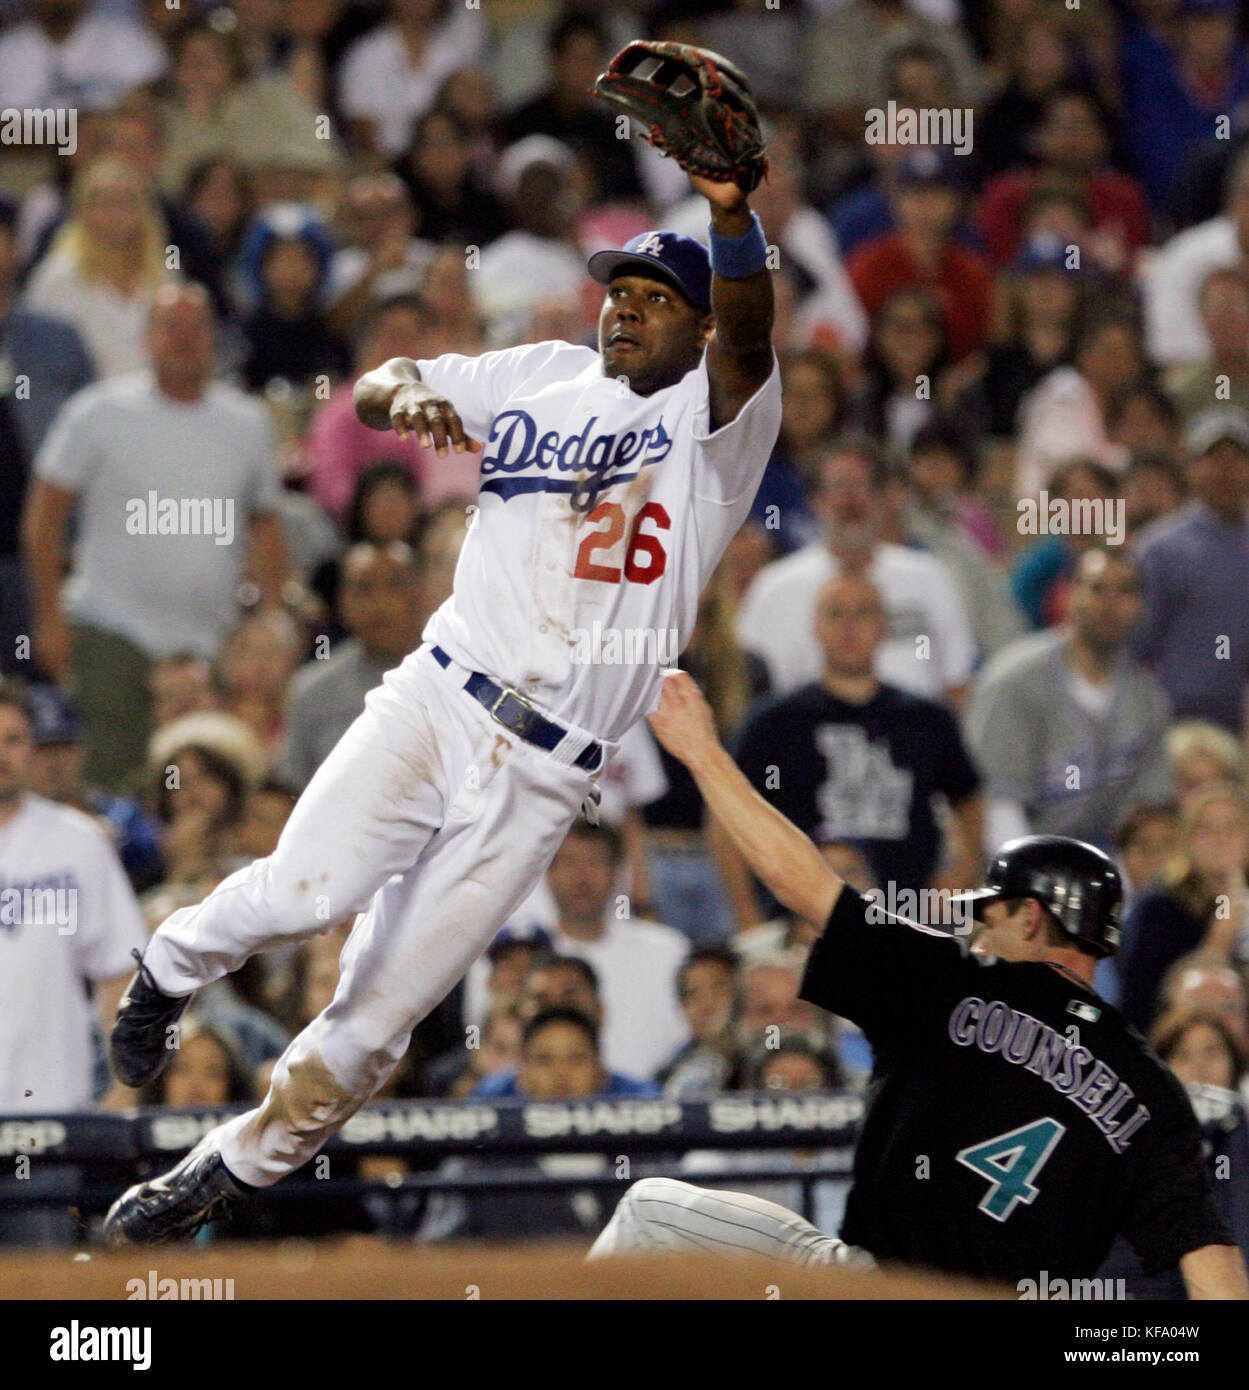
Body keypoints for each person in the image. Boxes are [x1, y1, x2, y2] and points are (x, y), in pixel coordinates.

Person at [102, 161, 782, 1243]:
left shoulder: (721, 416)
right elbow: (384, 381)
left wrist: (734, 217)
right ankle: (165, 968)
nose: (626, 309)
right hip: (442, 692)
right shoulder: (541, 373)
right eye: (619, 290)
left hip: (550, 769)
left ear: (697, 325)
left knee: (378, 1025)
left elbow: (750, 335)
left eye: (656, 299)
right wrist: (406, 395)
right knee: (303, 891)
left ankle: (227, 1169)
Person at [589, 669, 1249, 1298]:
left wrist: (703, 753)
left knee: (653, 1212)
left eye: (987, 917)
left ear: (1030, 915)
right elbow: (1211, 1262)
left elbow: (804, 883)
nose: (977, 932)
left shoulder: (951, 981)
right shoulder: (1151, 1090)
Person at [22, 282, 290, 792]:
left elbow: (267, 527)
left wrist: (273, 627)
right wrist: (49, 617)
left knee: (208, 790)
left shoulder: (247, 422)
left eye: (196, 329)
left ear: (215, 339)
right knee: (108, 783)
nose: (183, 340)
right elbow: (44, 517)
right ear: (146, 339)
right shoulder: (97, 413)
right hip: (110, 632)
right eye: (170, 328)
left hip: (212, 641)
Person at [735, 573, 983, 898]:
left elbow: (968, 798)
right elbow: (730, 815)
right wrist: (746, 911)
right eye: (836, 614)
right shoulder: (774, 721)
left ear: (884, 628)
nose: (849, 627)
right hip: (801, 916)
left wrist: (958, 877)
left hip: (906, 916)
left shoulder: (926, 718)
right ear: (815, 628)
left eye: (863, 613)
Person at [966, 548, 1173, 853]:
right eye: (1097, 588)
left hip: (1103, 864)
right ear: (1069, 595)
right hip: (1010, 860)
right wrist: (1029, 881)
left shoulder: (1148, 697)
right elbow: (995, 804)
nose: (1110, 604)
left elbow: (1150, 808)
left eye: (1125, 591)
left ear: (1141, 605)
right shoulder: (1015, 680)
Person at [1132, 407, 1249, 733]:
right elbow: (1137, 644)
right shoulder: (1159, 549)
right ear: (1190, 467)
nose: (1227, 471)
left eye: (1237, 458)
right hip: (1176, 723)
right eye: (1214, 458)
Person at [277, 543, 424, 792]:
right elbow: (291, 791)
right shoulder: (312, 690)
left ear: (421, 594)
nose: (379, 603)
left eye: (395, 586)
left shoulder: (458, 674)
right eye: (364, 589)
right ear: (343, 603)